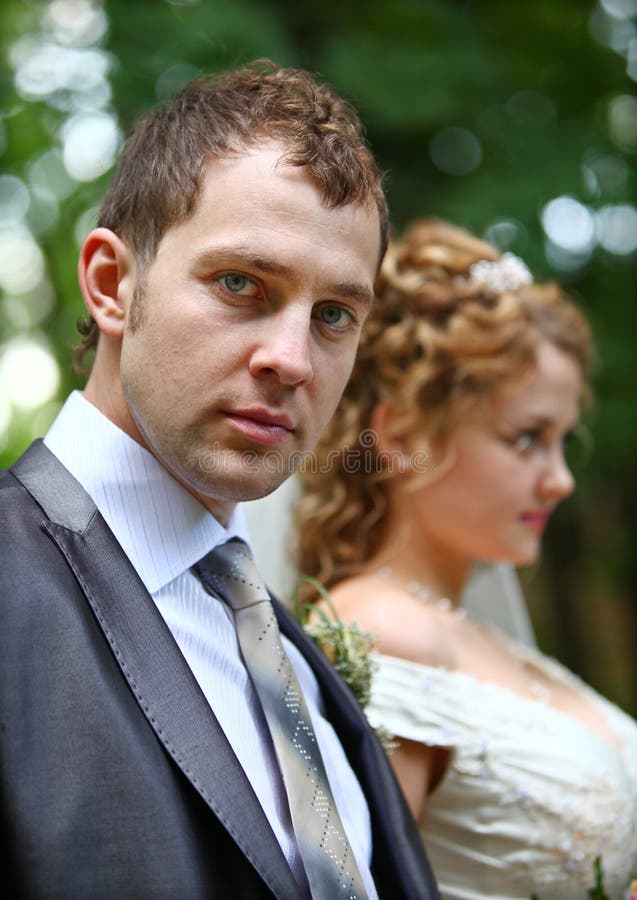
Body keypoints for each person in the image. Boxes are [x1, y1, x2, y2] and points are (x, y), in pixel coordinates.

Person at [0, 62, 440, 899]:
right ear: (110, 284)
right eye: (241, 284)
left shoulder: (292, 660)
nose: (291, 359)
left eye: (334, 315)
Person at [294, 218, 637, 899]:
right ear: (402, 435)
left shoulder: (477, 637)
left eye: (564, 441)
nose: (559, 479)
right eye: (526, 438)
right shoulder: (384, 635)